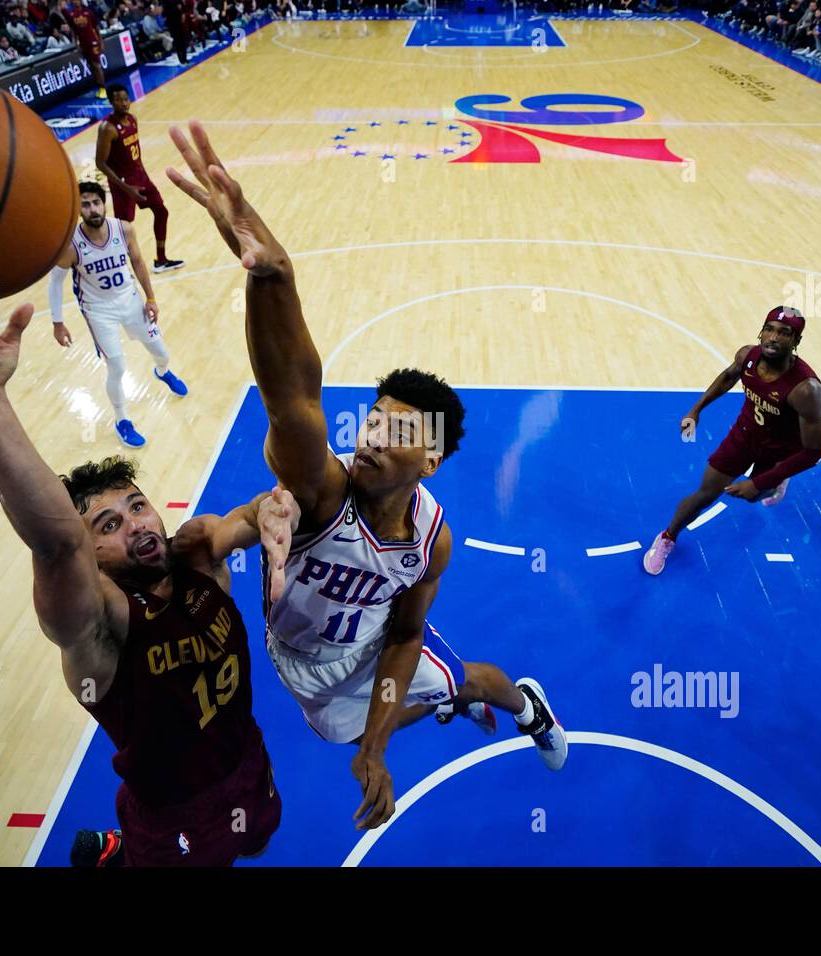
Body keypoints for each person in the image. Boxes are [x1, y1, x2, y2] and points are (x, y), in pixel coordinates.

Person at [167, 122, 569, 833]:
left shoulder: (431, 541)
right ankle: (424, 711)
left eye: (402, 431)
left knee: (469, 680)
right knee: (342, 735)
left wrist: (382, 746)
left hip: (370, 650)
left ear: (432, 459)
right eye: (375, 420)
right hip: (299, 660)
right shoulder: (323, 491)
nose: (377, 437)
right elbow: (292, 397)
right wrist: (272, 277)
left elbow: (405, 636)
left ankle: (527, 706)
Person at [0, 298, 296, 866]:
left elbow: (259, 508)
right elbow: (56, 542)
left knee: (258, 840)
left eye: (138, 507)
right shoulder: (100, 625)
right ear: (93, 554)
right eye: (109, 525)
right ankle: (117, 855)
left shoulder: (196, 552)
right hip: (171, 819)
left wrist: (277, 511)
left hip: (247, 763)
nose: (137, 525)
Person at [643, 306, 821, 576]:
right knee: (705, 493)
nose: (774, 338)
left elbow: (814, 452)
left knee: (756, 497)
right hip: (744, 435)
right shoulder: (748, 356)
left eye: (784, 333)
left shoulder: (806, 390)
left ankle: (778, 480)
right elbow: (729, 376)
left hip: (781, 450)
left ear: (796, 342)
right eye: (769, 330)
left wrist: (759, 482)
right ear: (761, 332)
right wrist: (696, 410)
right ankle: (667, 537)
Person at [49, 181, 188, 449]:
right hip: (99, 311)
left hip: (131, 301)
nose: (92, 209)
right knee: (117, 367)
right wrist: (57, 323)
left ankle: (162, 372)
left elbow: (137, 260)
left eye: (96, 203)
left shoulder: (123, 229)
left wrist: (150, 298)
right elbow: (55, 282)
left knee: (162, 352)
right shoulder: (71, 246)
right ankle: (122, 420)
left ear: (104, 204)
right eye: (85, 204)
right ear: (78, 209)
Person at [96, 84, 183, 273]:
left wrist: (144, 175)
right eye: (118, 99)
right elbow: (100, 163)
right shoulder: (107, 128)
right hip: (122, 184)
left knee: (161, 211)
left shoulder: (133, 120)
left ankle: (161, 260)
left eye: (126, 98)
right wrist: (126, 188)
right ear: (111, 102)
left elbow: (136, 155)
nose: (124, 103)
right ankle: (118, 266)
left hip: (140, 177)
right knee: (123, 228)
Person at [63, 0, 107, 99]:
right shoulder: (72, 15)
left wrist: (101, 41)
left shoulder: (88, 12)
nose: (75, 2)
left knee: (96, 65)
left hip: (93, 41)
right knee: (91, 65)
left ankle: (104, 88)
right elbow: (74, 30)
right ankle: (99, 87)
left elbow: (96, 28)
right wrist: (76, 44)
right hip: (83, 43)